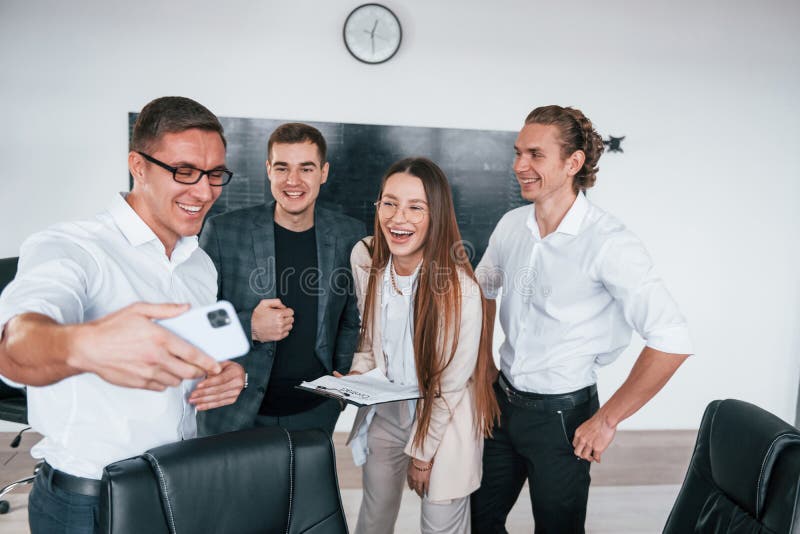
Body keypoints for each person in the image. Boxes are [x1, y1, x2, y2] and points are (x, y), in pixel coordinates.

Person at [0, 96, 246, 534]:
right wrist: (86, 344)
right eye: (184, 171)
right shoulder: (72, 247)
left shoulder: (199, 266)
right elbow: (15, 349)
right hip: (88, 503)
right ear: (139, 165)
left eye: (214, 175)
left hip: (175, 488)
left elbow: (189, 358)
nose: (204, 191)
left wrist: (223, 374)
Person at [470, 105, 693, 533]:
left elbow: (671, 338)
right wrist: (483, 366)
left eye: (535, 154)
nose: (519, 165)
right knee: (479, 519)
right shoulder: (511, 224)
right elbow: (484, 290)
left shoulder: (610, 242)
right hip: (502, 404)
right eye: (518, 153)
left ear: (573, 163)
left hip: (563, 418)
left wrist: (607, 419)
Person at [345, 157, 499, 534]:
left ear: (437, 215)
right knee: (374, 517)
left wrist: (422, 453)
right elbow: (370, 340)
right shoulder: (365, 257)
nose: (399, 218)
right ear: (377, 206)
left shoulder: (459, 289)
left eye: (416, 207)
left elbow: (449, 384)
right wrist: (355, 376)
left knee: (440, 524)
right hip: (387, 411)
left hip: (442, 420)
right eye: (390, 203)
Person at [197, 122, 364, 438]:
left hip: (315, 414)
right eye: (282, 167)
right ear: (268, 170)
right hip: (234, 414)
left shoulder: (349, 234)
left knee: (303, 490)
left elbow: (350, 319)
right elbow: (194, 323)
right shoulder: (223, 231)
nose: (293, 181)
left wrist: (340, 385)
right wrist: (251, 327)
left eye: (306, 169)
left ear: (324, 172)